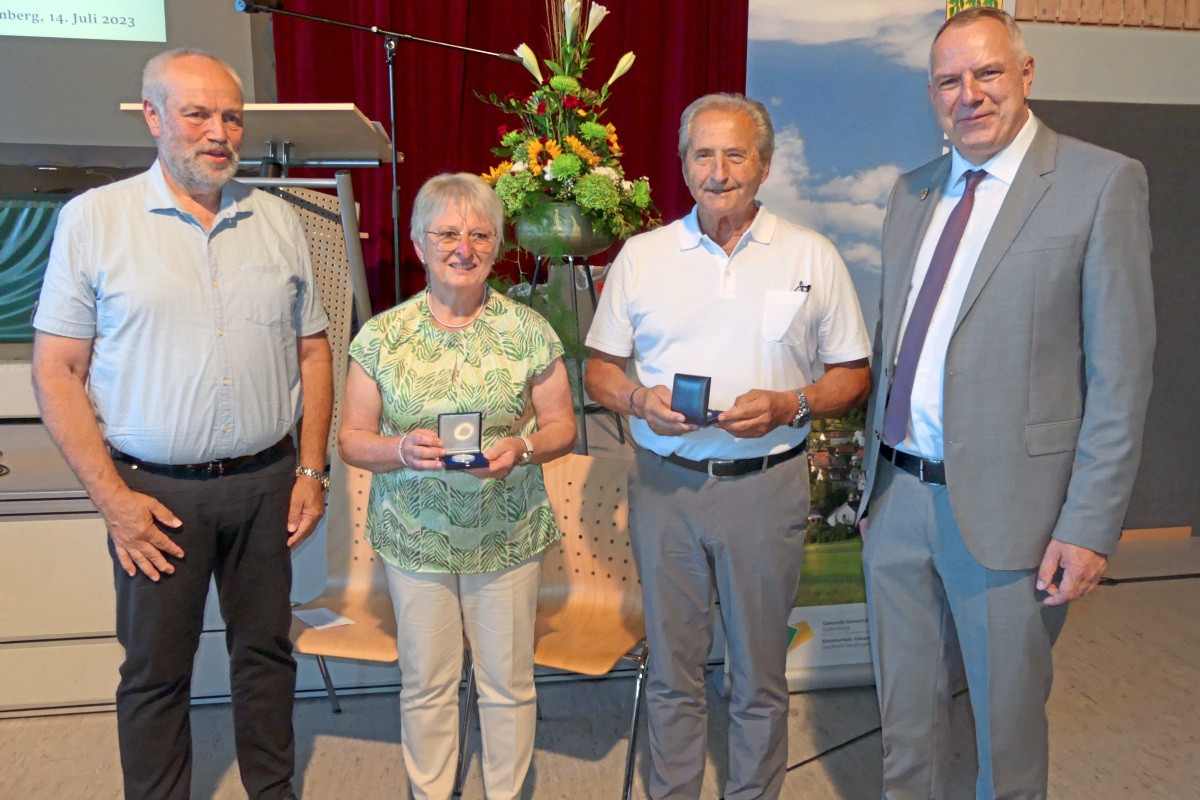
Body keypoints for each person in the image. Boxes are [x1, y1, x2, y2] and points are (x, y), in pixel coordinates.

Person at [859, 8, 1154, 799]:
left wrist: (1089, 524)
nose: (970, 94)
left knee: (1008, 737)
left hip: (1012, 515)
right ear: (932, 93)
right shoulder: (910, 193)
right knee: (907, 729)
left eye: (987, 73)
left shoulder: (1100, 183)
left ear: (1026, 74)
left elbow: (1122, 376)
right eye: (951, 80)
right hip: (895, 501)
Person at [31, 49, 333, 800]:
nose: (219, 132)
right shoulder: (94, 222)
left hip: (267, 482)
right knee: (155, 671)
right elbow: (57, 371)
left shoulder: (279, 219)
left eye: (231, 116)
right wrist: (114, 502)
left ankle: (273, 791)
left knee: (266, 654)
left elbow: (315, 350)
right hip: (151, 496)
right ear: (154, 118)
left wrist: (310, 469)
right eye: (198, 114)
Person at [584, 94, 872, 800]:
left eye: (735, 154)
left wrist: (790, 404)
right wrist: (637, 399)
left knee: (758, 673)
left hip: (765, 488)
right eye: (702, 155)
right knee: (675, 670)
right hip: (664, 486)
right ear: (683, 167)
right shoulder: (643, 257)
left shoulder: (812, 254)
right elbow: (599, 367)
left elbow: (853, 375)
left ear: (764, 165)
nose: (718, 170)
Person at [338, 172, 577, 800]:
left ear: (497, 246)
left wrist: (521, 447)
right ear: (419, 243)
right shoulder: (381, 336)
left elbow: (562, 428)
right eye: (446, 233)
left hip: (507, 533)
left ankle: (506, 793)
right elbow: (351, 441)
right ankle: (430, 791)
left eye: (479, 234)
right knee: (426, 682)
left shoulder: (530, 331)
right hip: (417, 540)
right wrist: (399, 448)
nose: (462, 248)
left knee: (507, 681)